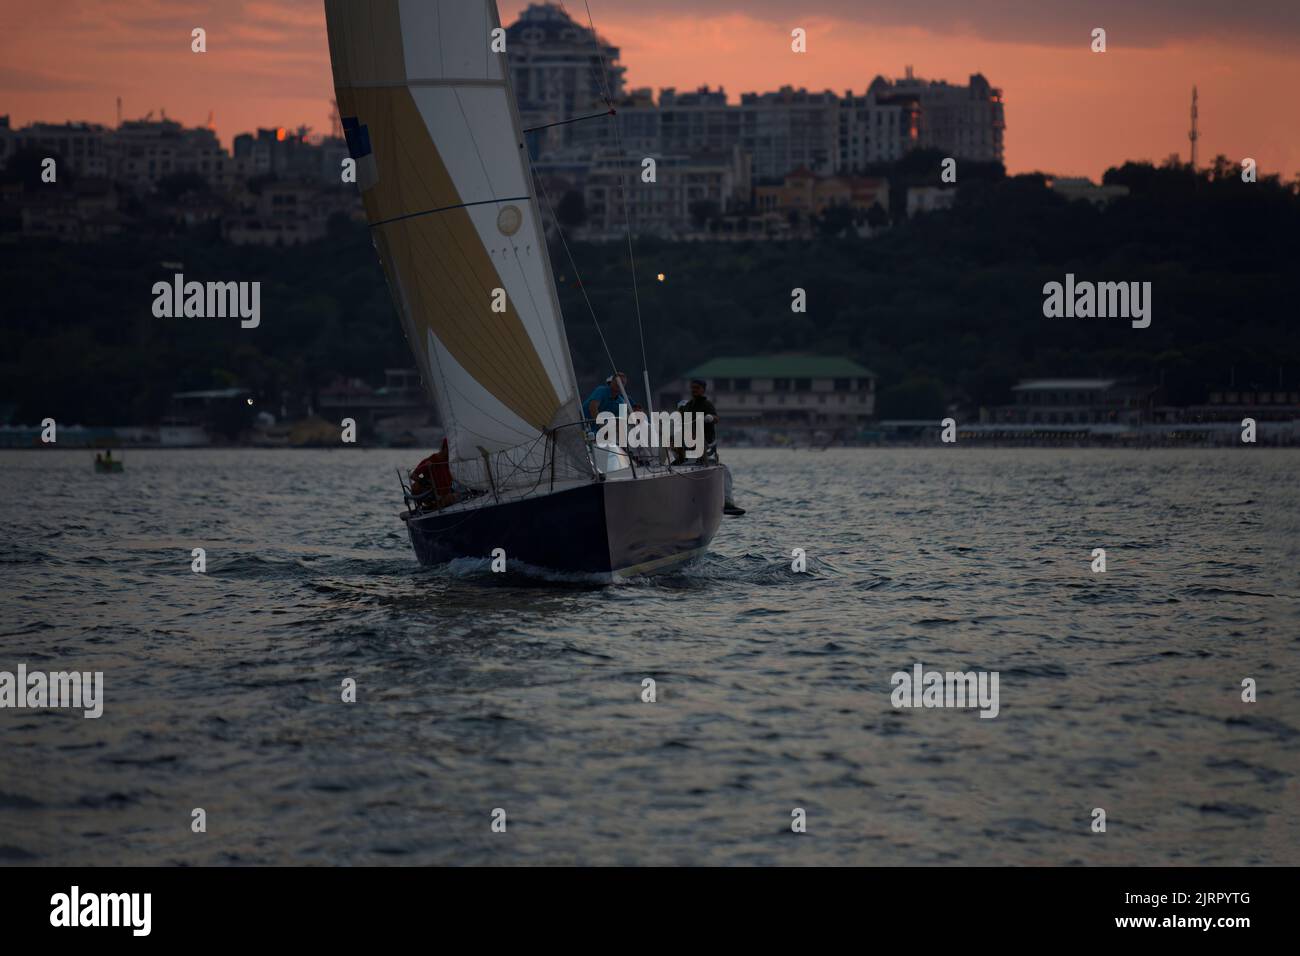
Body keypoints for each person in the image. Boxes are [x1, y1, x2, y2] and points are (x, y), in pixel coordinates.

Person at [674, 379, 719, 464]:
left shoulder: (707, 404)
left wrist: (711, 417)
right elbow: (679, 415)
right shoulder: (688, 405)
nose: (694, 390)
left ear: (703, 390)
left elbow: (716, 418)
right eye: (692, 388)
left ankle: (702, 461)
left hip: (705, 437)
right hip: (689, 436)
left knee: (695, 437)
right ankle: (680, 460)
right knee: (673, 438)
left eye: (697, 388)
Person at [409, 438, 456, 511]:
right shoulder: (432, 460)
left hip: (446, 493)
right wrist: (424, 482)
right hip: (434, 494)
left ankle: (436, 505)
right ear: (445, 449)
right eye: (451, 450)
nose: (453, 453)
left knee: (457, 496)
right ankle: (433, 506)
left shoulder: (451, 462)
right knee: (451, 498)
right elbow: (413, 475)